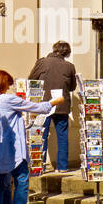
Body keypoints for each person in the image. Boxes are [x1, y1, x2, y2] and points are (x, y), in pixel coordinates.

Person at [0, 71, 64, 204]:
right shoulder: (7, 99)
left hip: (0, 150)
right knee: (22, 182)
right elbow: (37, 107)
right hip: (14, 150)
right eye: (9, 85)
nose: (10, 88)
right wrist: (55, 101)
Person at [27, 41, 78, 173]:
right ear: (67, 53)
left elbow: (31, 79)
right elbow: (72, 87)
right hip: (62, 104)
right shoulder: (70, 66)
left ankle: (40, 165)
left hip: (44, 104)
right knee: (62, 135)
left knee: (40, 135)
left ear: (54, 49)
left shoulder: (42, 62)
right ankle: (62, 166)